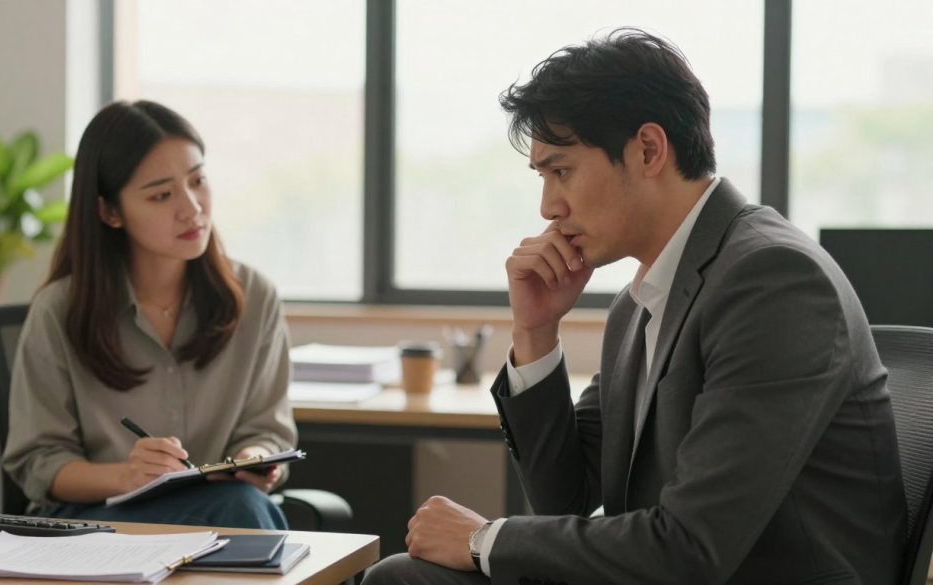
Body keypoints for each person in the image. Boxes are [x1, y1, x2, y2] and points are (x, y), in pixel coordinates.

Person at [363, 28, 907, 584]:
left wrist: (483, 540)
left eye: (561, 171)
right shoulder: (641, 302)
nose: (548, 207)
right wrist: (536, 331)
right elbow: (564, 501)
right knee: (404, 576)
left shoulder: (773, 281)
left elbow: (691, 548)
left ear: (648, 150)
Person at [2, 100, 295, 530]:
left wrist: (256, 459)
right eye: (161, 195)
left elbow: (266, 430)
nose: (192, 208)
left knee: (240, 505)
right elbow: (39, 463)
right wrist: (129, 475)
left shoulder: (254, 297)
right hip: (92, 522)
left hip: (219, 508)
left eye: (198, 181)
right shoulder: (59, 311)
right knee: (241, 512)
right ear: (110, 211)